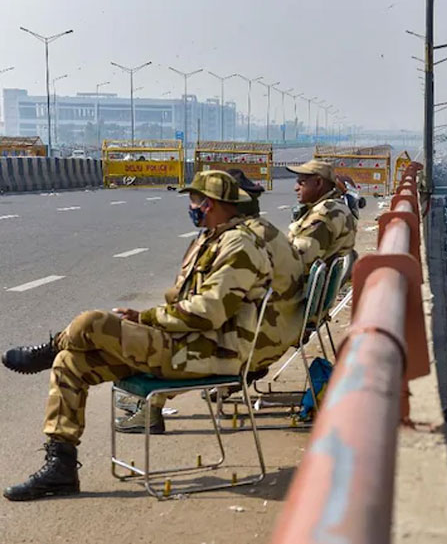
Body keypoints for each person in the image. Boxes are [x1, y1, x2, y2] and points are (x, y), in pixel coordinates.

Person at [1, 171, 272, 501]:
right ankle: (61, 466)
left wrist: (145, 318)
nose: (190, 206)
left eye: (193, 200)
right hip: (182, 344)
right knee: (69, 363)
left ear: (209, 204)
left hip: (207, 354)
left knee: (91, 323)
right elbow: (185, 304)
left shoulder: (239, 245)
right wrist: (146, 324)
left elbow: (209, 312)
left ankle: (44, 350)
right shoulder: (211, 238)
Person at [114, 169, 307, 433]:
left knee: (176, 327)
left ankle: (152, 403)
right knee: (178, 318)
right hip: (283, 323)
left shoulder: (244, 238)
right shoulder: (263, 230)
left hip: (261, 336)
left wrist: (154, 317)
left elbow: (204, 306)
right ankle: (148, 401)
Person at [286, 159, 358, 275]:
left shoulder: (325, 213)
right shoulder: (332, 207)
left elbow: (297, 262)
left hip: (299, 289)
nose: (296, 188)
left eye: (301, 182)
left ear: (318, 183)